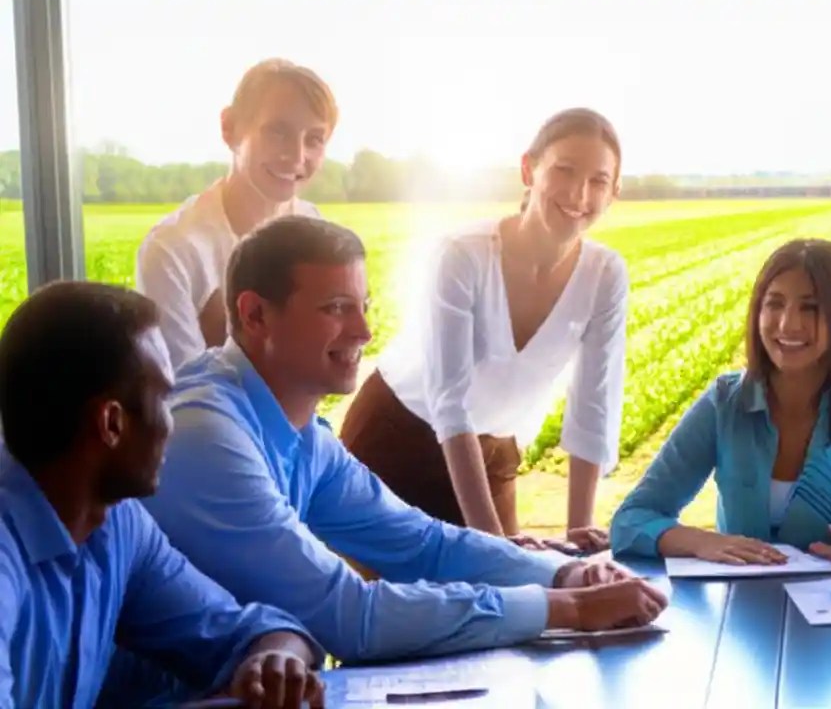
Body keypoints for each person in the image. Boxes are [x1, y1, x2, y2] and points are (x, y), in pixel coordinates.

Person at [141, 215, 666, 664]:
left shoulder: (299, 432)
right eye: (336, 308)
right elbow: (348, 617)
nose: (365, 332)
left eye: (363, 305)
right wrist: (567, 609)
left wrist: (570, 573)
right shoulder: (208, 435)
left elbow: (424, 544)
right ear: (256, 314)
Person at [0, 281, 324, 708]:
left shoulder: (116, 523)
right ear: (112, 423)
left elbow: (246, 631)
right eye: (164, 399)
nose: (173, 424)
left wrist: (276, 661)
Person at [342, 107, 628, 554]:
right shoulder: (463, 254)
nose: (578, 192)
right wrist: (495, 546)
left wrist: (579, 533)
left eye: (597, 181)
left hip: (491, 458)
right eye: (564, 170)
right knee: (409, 606)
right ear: (528, 170)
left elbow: (594, 403)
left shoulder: (606, 273)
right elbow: (449, 403)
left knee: (509, 603)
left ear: (613, 192)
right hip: (396, 439)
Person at [610, 238, 831, 564]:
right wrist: (698, 541)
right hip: (741, 607)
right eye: (775, 304)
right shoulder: (726, 401)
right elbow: (632, 518)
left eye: (811, 307)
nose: (788, 324)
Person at [136, 57, 336, 368]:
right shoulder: (172, 250)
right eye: (278, 132)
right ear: (229, 129)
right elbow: (188, 396)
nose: (297, 156)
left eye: (314, 139)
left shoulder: (317, 231)